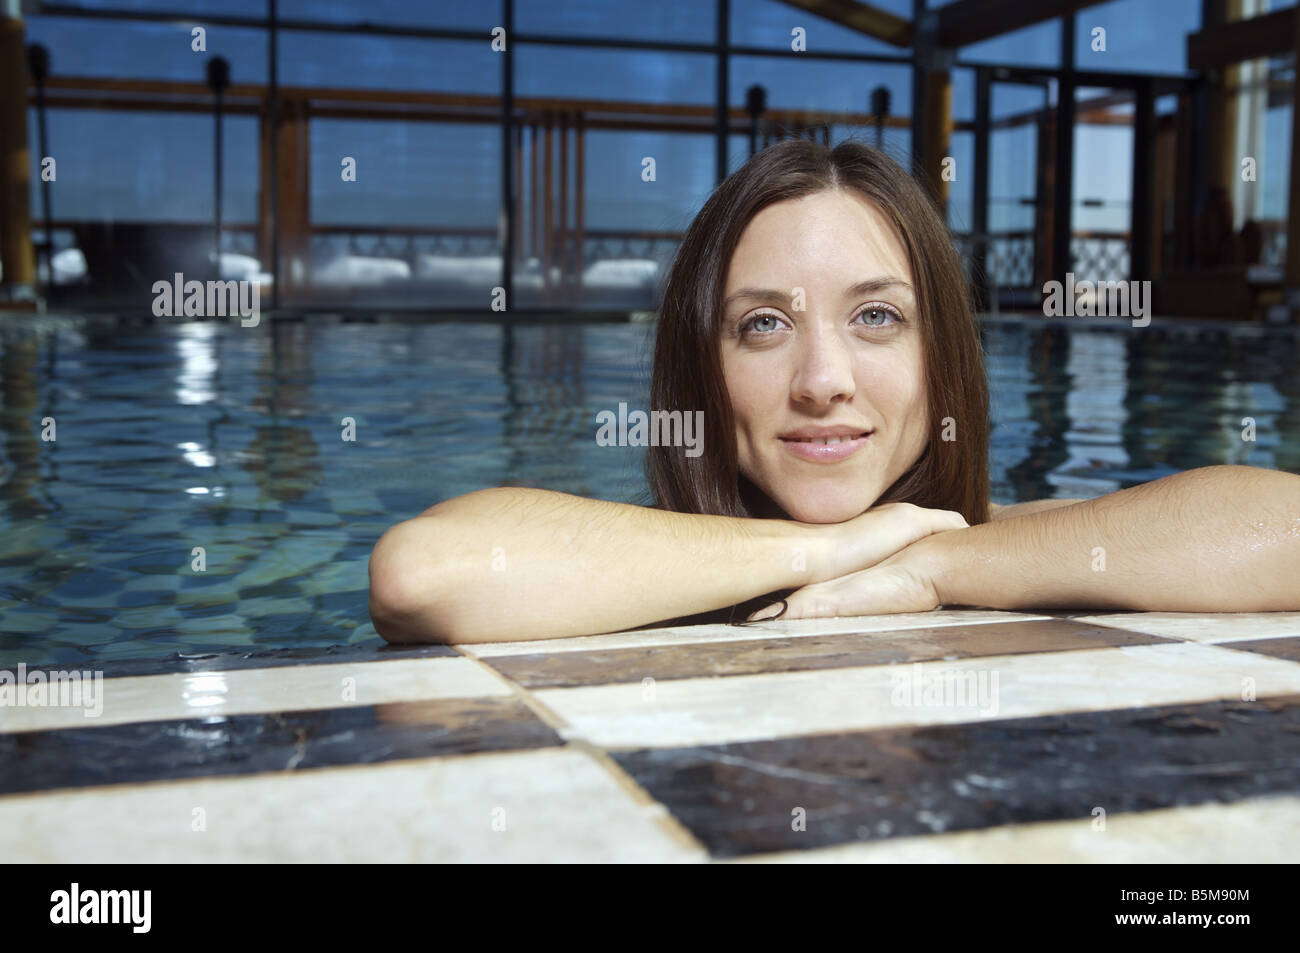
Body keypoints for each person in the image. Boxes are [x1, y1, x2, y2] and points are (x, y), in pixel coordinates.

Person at [369, 139, 1300, 645]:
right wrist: (833, 549)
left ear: (944, 362)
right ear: (702, 366)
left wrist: (931, 567)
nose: (822, 381)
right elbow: (422, 572)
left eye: (878, 318)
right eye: (764, 324)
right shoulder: (625, 564)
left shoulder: (973, 541)